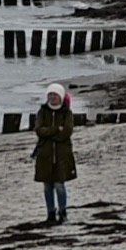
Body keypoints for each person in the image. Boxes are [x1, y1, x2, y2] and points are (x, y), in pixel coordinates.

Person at [35, 84, 76, 225]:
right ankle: (50, 212)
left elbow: (67, 132)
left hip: (62, 153)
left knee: (59, 184)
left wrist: (51, 134)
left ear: (61, 96)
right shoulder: (42, 111)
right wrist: (55, 129)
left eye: (55, 95)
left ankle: (63, 212)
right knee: (47, 185)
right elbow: (39, 130)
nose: (52, 98)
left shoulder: (66, 113)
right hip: (45, 154)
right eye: (50, 95)